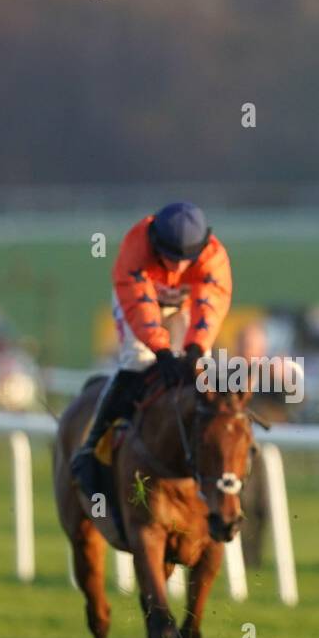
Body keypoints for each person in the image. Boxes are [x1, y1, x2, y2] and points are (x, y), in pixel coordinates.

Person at [70, 202, 232, 489]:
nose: (178, 266)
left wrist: (194, 348)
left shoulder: (214, 258)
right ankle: (92, 445)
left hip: (183, 307)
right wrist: (162, 351)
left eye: (186, 260)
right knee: (137, 361)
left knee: (200, 368)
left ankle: (204, 451)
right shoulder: (136, 246)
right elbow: (140, 306)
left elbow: (209, 306)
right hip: (140, 305)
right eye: (170, 258)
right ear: (156, 243)